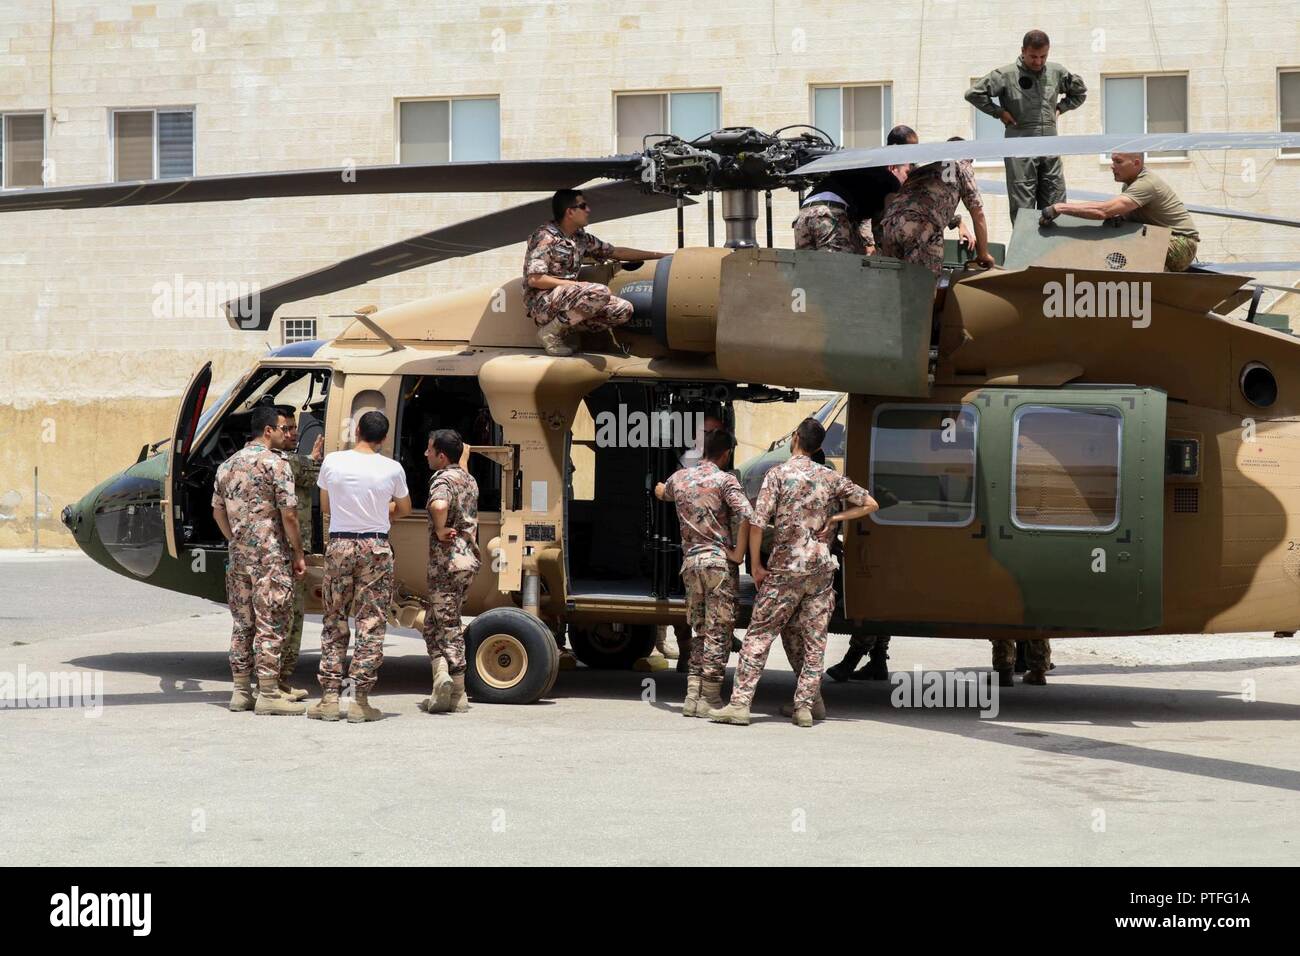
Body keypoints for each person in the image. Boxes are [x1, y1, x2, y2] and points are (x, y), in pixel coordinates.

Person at [709, 418, 879, 728]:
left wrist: (756, 566)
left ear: (796, 438)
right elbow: (870, 503)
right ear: (818, 446)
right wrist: (837, 517)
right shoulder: (830, 477)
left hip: (785, 569)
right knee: (813, 641)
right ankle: (806, 707)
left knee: (759, 635)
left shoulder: (778, 474)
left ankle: (739, 705)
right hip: (820, 570)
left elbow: (757, 522)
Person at [309, 410, 410, 722]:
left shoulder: (333, 462)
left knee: (334, 619)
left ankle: (329, 699)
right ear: (384, 438)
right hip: (375, 546)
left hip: (340, 544)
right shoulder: (392, 468)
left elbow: (326, 506)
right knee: (370, 622)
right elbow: (404, 508)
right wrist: (380, 510)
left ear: (356, 432)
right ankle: (359, 700)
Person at [211, 405, 307, 716]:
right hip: (270, 557)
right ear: (268, 431)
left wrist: (235, 539)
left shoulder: (226, 466)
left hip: (239, 556)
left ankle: (241, 691)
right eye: (283, 429)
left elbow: (217, 511)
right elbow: (289, 514)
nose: (287, 433)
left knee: (243, 624)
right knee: (271, 621)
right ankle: (268, 693)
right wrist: (298, 552)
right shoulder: (276, 464)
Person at [655, 428, 752, 717]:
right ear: (726, 454)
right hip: (718, 566)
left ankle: (691, 696)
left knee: (699, 631)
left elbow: (662, 492)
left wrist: (659, 487)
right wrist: (738, 554)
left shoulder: (680, 478)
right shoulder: (725, 481)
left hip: (691, 566)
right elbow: (749, 514)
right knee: (718, 633)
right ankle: (709, 697)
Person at [524, 189, 668, 356]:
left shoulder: (580, 238)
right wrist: (575, 285)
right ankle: (550, 332)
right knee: (600, 292)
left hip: (570, 299)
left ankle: (564, 330)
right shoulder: (545, 236)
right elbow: (535, 279)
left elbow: (616, 252)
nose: (588, 210)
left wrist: (660, 256)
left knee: (622, 310)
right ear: (570, 212)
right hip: (543, 303)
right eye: (583, 206)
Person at [966, 29, 1088, 224]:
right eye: (1033, 56)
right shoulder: (1006, 75)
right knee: (1023, 206)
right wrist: (999, 112)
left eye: (1043, 56)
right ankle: (1025, 243)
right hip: (1020, 148)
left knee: (1055, 200)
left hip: (1050, 147)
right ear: (1023, 51)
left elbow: (1079, 93)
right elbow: (974, 94)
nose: (1038, 62)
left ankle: (1054, 243)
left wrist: (1060, 108)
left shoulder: (1056, 72)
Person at [1041, 152, 1200, 271]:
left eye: (1118, 161)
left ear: (1136, 163)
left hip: (1181, 244)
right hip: (1162, 239)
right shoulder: (1129, 185)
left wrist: (1059, 208)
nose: (1112, 166)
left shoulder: (1146, 184)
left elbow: (1103, 211)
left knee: (1121, 250)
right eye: (1112, 161)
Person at [422, 429, 480, 714]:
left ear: (441, 456)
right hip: (466, 561)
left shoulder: (442, 480)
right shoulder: (468, 479)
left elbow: (440, 504)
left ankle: (458, 692)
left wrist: (440, 527)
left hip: (447, 564)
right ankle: (441, 677)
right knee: (433, 623)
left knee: (449, 627)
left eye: (430, 450)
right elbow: (460, 476)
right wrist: (463, 456)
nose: (426, 454)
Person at [877, 138, 996, 276]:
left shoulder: (923, 170)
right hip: (922, 229)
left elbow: (923, 203)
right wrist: (983, 253)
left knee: (893, 282)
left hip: (890, 226)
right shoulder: (961, 165)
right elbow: (978, 214)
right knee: (924, 284)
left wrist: (959, 223)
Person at [794, 125, 918, 255]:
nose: (908, 179)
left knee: (808, 266)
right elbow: (888, 224)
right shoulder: (890, 182)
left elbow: (867, 226)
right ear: (894, 167)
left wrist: (868, 245)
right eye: (907, 171)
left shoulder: (864, 162)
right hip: (829, 214)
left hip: (804, 214)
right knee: (841, 267)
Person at [274, 404, 323, 702]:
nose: (293, 434)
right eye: (286, 429)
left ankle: (273, 680)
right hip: (286, 552)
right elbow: (307, 472)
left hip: (276, 552)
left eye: (294, 428)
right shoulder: (280, 463)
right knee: (288, 615)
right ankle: (275, 681)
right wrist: (314, 459)